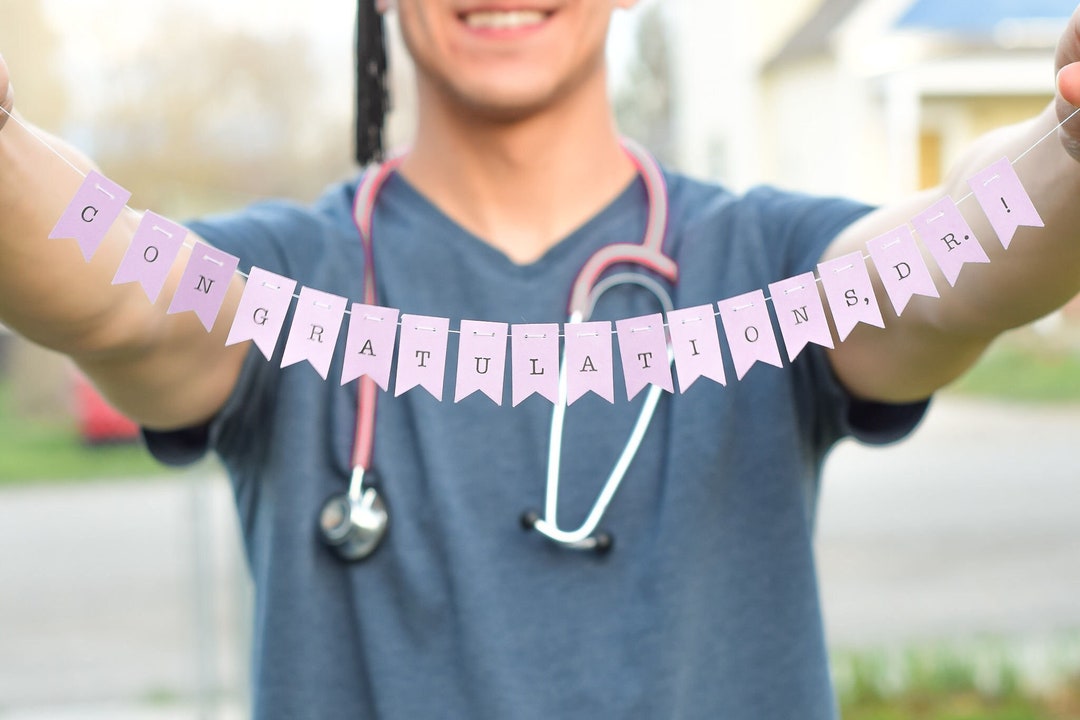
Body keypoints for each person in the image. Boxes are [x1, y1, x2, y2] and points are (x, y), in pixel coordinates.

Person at [3, 1, 1080, 717]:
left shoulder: (767, 266)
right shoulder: (293, 283)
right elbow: (121, 288)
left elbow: (957, 248)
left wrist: (1069, 139)